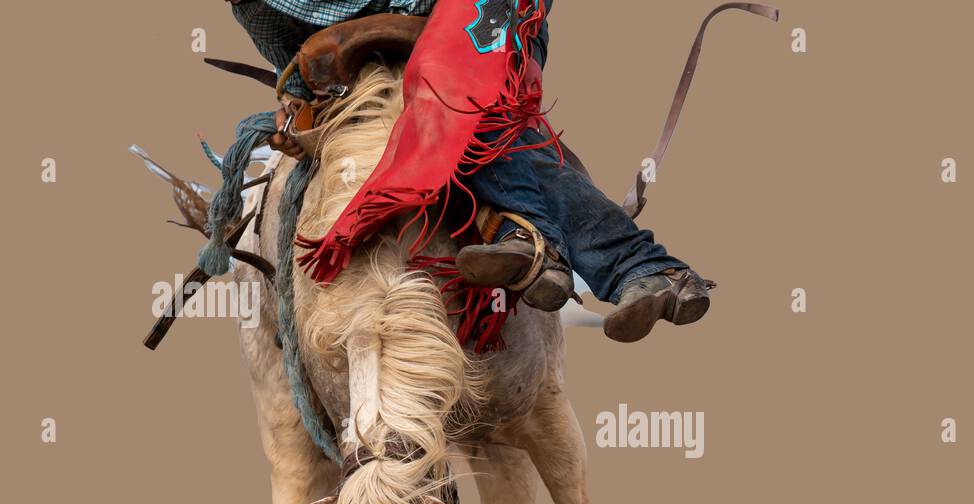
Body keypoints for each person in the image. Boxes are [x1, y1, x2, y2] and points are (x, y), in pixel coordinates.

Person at [225, 0, 712, 341]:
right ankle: (638, 269)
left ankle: (536, 242)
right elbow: (296, 60)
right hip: (382, 53)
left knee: (457, 88)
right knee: (454, 97)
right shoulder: (257, 5)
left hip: (487, 14)